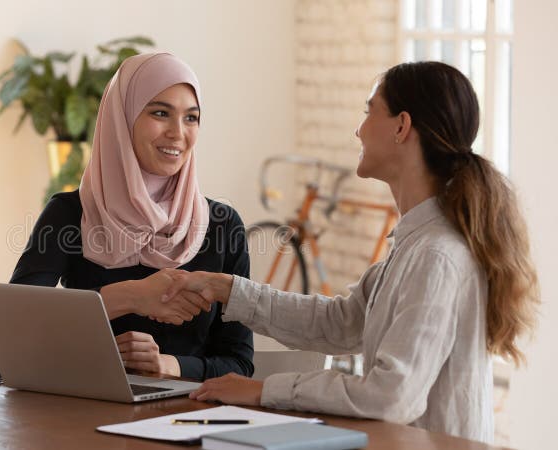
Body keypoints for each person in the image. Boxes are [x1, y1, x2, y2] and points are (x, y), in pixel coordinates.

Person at [160, 61, 540, 443]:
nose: (358, 129)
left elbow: (392, 396)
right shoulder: (415, 244)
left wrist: (264, 390)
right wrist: (228, 289)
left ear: (401, 127)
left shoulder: (436, 256)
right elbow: (340, 322)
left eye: (368, 111)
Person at [10, 53, 254, 381]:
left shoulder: (223, 225)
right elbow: (17, 323)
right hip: (83, 410)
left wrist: (169, 365)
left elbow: (239, 362)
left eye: (191, 118)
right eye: (160, 113)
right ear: (122, 119)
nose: (177, 133)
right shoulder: (70, 215)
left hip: (187, 416)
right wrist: (134, 296)